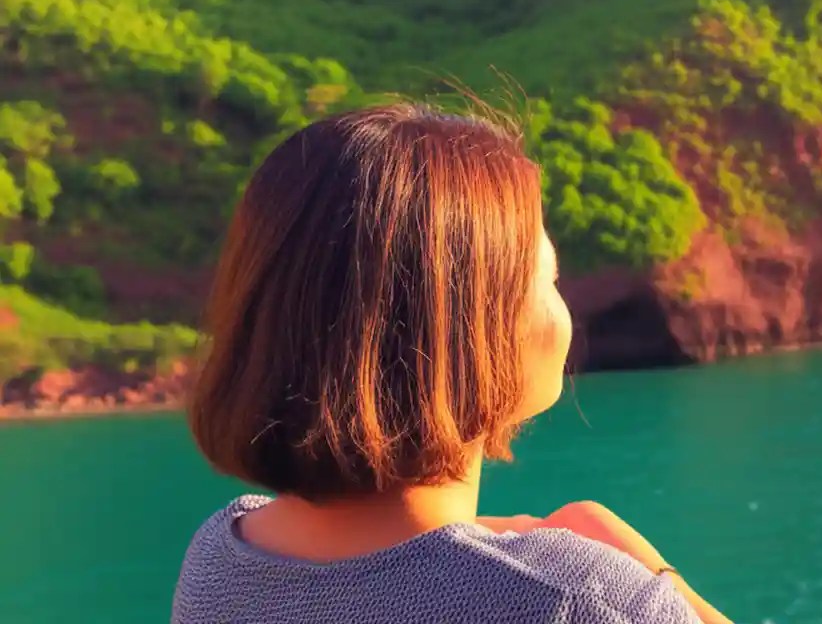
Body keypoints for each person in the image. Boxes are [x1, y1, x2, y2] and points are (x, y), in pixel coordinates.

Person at [172, 103, 730, 624]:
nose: (565, 311)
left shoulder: (216, 561)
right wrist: (660, 585)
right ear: (473, 329)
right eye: (548, 279)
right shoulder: (575, 598)